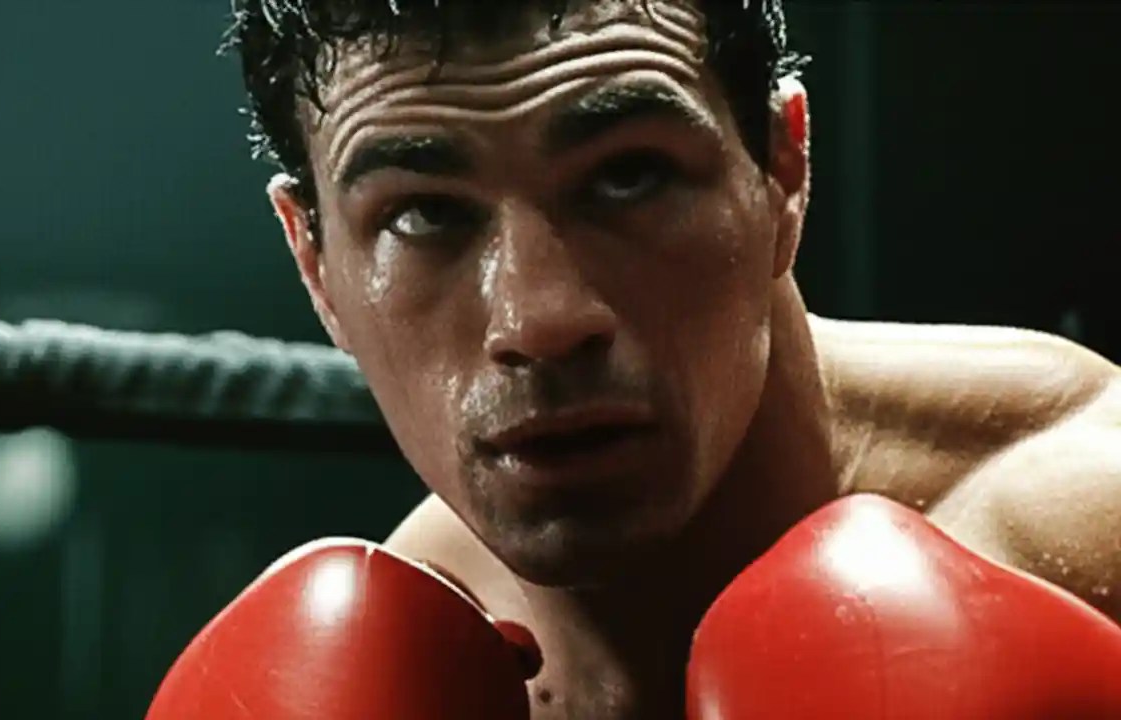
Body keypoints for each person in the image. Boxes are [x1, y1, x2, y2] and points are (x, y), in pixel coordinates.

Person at [199, 0, 1119, 715]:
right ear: (314, 263)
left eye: (629, 176)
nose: (538, 317)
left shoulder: (1078, 528)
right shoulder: (359, 680)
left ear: (783, 172)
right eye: (424, 214)